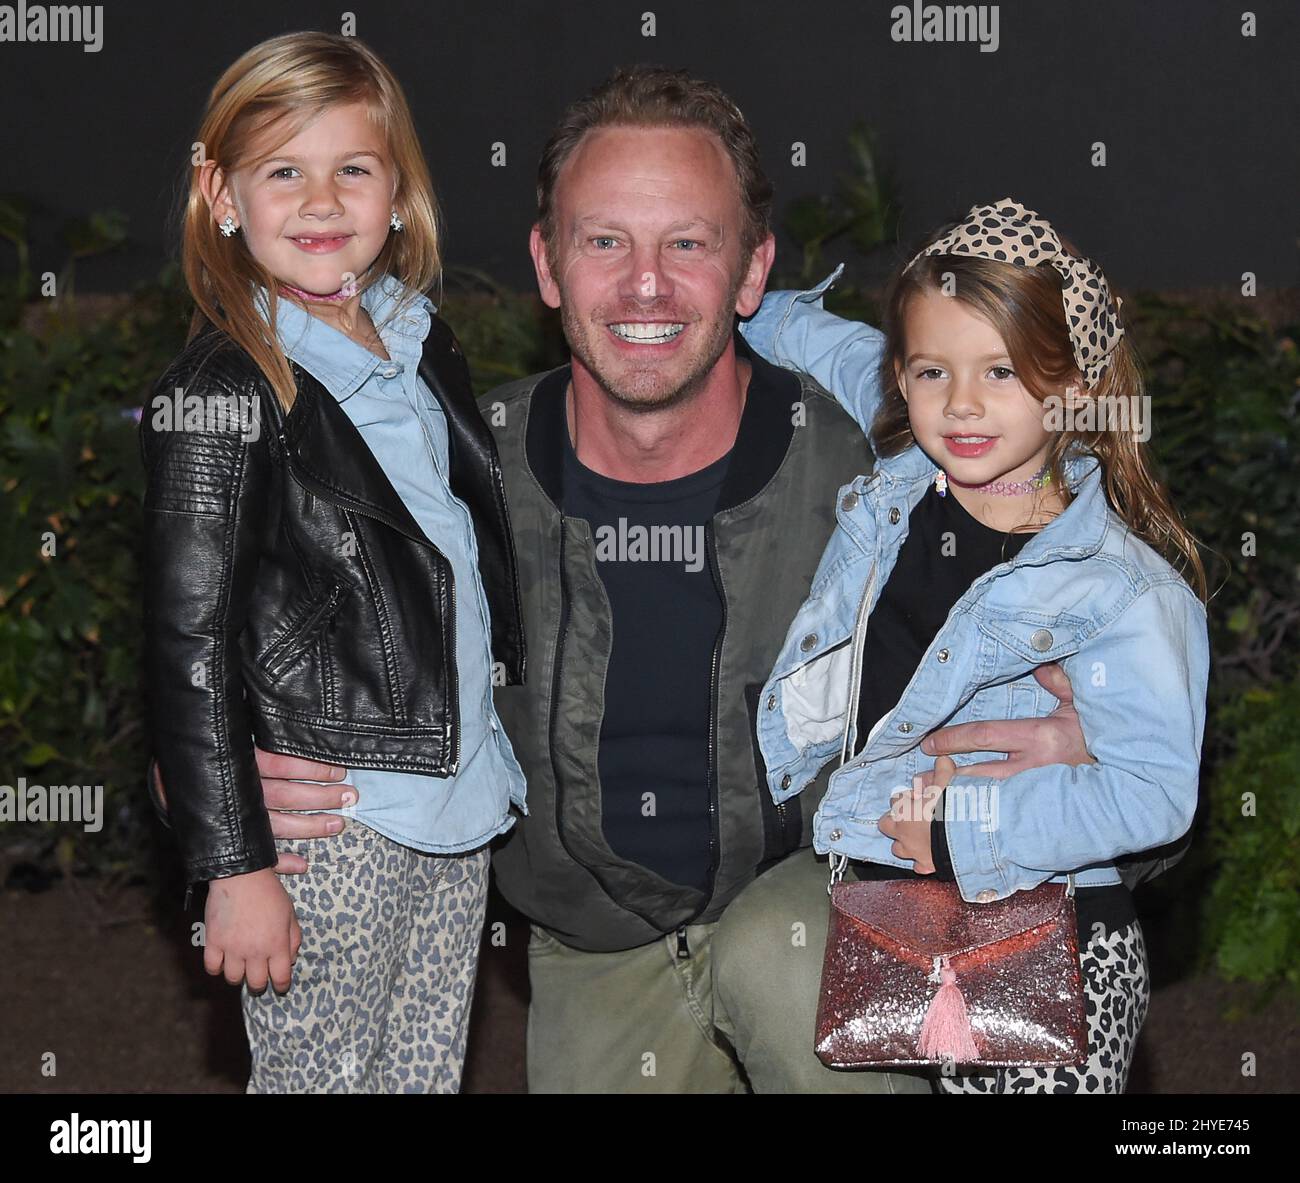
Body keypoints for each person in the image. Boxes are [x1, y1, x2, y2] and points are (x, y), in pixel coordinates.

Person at [241, 68, 1098, 1094]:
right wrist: (226, 774)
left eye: (687, 244)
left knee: (776, 957)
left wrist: (1086, 755)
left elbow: (1127, 662)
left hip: (830, 907)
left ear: (752, 271)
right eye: (605, 241)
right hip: (595, 943)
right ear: (547, 264)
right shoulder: (450, 470)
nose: (644, 286)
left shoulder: (887, 473)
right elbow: (257, 629)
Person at [747, 198, 1210, 1093]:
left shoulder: (1124, 592)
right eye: (933, 371)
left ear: (1075, 387)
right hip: (895, 910)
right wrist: (744, 302)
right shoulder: (906, 475)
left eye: (1001, 371)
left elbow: (1153, 794)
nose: (961, 403)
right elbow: (832, 348)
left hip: (1055, 938)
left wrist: (962, 828)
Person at [142, 31, 526, 1093]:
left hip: (452, 804)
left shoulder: (418, 341)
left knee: (421, 1076)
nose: (320, 201)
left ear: (398, 193)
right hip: (333, 821)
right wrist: (233, 861)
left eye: (352, 168)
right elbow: (186, 641)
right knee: (318, 1078)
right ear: (222, 195)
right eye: (283, 172)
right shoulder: (223, 390)